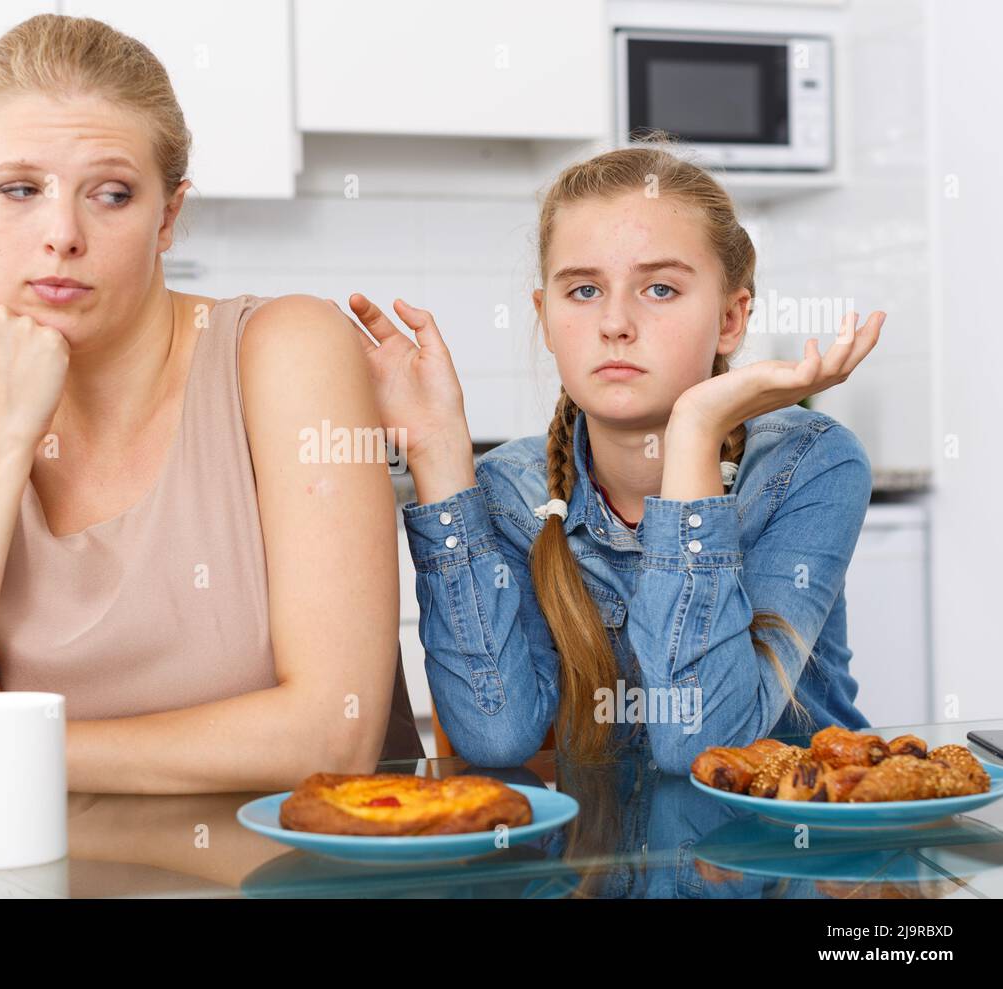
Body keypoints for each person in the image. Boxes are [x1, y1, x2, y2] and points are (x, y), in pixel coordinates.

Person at [0, 13, 421, 804]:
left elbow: (328, 734)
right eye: (20, 189)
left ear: (168, 215)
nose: (61, 234)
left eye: (110, 194)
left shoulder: (287, 352)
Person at [348, 144, 883, 773]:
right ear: (544, 319)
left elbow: (705, 747)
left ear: (732, 318)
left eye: (659, 288)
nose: (616, 323)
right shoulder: (510, 494)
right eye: (583, 290)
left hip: (795, 848)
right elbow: (495, 738)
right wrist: (437, 451)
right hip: (602, 863)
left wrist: (694, 429)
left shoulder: (808, 462)